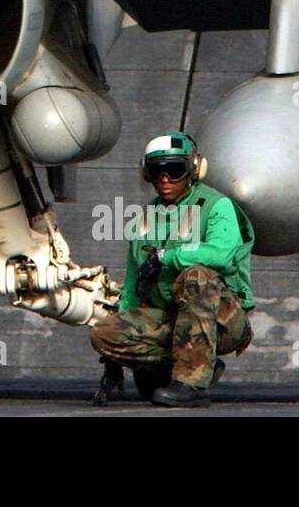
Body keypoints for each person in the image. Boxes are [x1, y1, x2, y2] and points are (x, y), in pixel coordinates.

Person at [89, 130, 254, 408]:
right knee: (104, 333)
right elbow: (131, 285)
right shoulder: (146, 218)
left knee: (196, 276)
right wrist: (114, 362)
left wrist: (169, 255)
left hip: (222, 319)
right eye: (157, 171)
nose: (165, 178)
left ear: (193, 170)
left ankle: (192, 385)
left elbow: (221, 255)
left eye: (175, 170)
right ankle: (193, 363)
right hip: (171, 318)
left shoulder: (217, 206)